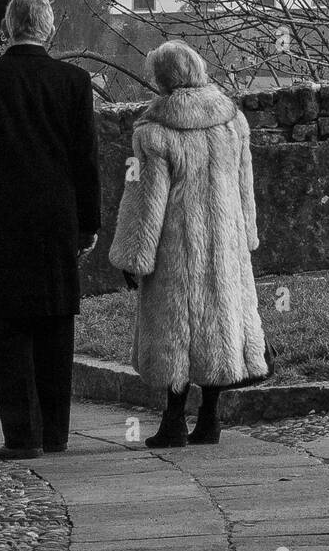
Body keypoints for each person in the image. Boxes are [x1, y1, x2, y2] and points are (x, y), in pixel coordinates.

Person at [0, 0, 101, 460]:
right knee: (55, 325)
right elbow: (86, 162)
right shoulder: (74, 82)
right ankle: (56, 434)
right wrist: (88, 225)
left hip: (1, 224)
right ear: (49, 29)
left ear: (7, 29)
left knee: (6, 328)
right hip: (57, 224)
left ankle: (21, 437)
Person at [109, 40, 268, 447]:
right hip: (225, 243)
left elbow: (146, 199)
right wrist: (246, 234)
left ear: (161, 79)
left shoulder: (155, 130)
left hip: (176, 247)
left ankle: (173, 421)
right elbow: (244, 185)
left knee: (177, 327)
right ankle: (211, 419)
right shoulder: (233, 120)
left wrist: (133, 256)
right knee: (218, 326)